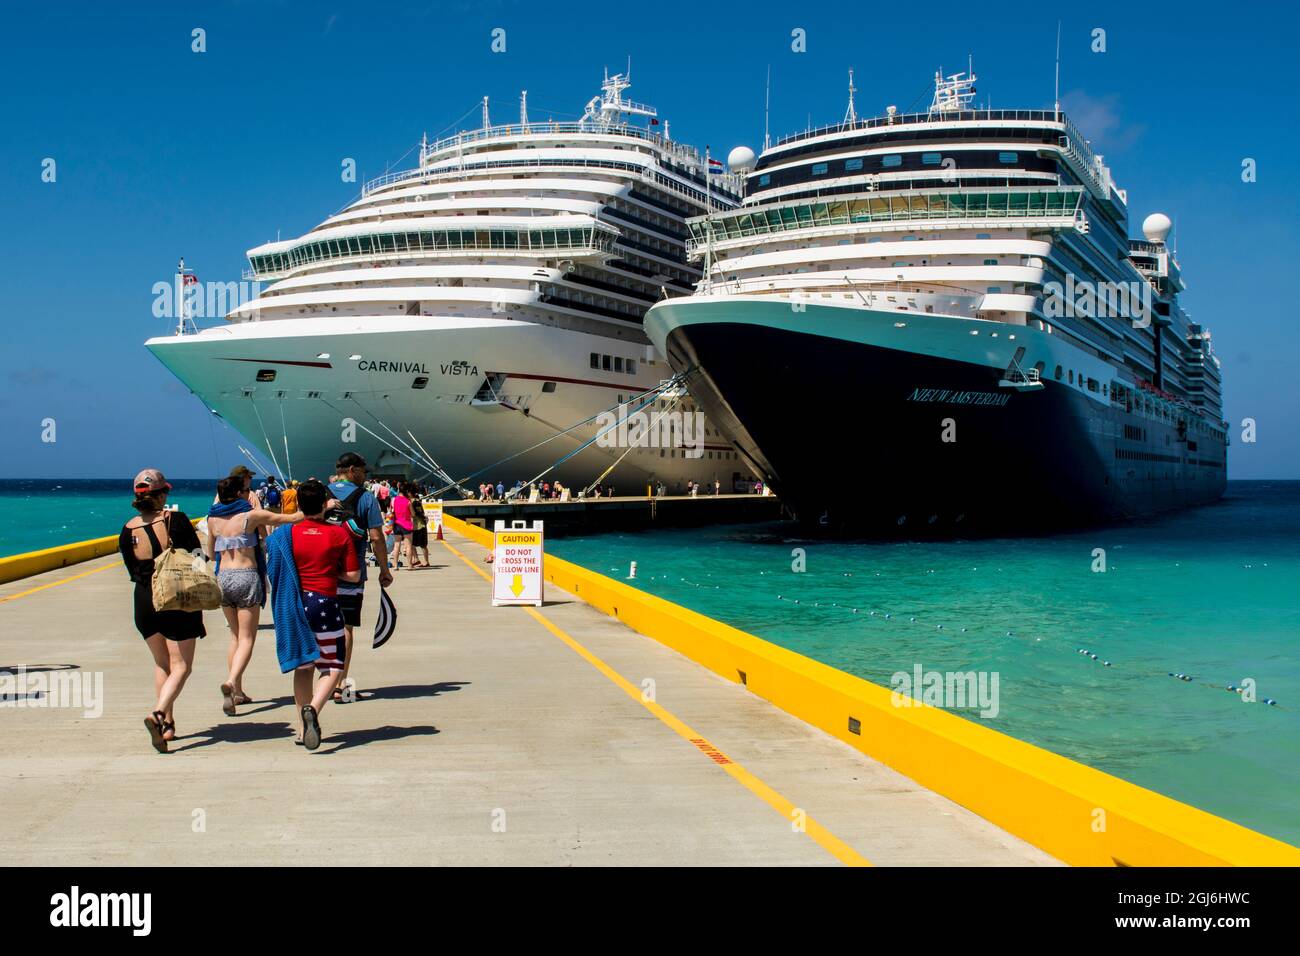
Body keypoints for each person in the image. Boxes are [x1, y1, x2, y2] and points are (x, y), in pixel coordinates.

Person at [118, 469, 206, 753]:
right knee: (182, 665)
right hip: (174, 598)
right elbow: (197, 558)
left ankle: (168, 725)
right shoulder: (174, 520)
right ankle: (158, 714)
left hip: (143, 600)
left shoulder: (127, 528)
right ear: (160, 495)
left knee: (161, 663)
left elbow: (132, 570)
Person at [207, 475, 303, 716]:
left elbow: (209, 551)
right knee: (248, 638)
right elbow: (289, 519)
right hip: (247, 575)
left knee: (235, 637)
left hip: (223, 578)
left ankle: (237, 692)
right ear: (241, 493)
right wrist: (325, 506)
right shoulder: (250, 516)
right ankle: (231, 681)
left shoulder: (213, 519)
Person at [284, 479, 360, 749]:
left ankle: (302, 730)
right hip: (326, 602)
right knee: (333, 665)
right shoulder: (339, 534)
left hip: (296, 604)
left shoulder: (287, 534)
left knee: (303, 667)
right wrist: (332, 573)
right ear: (325, 504)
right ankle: (313, 710)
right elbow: (353, 575)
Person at [328, 453, 391, 703]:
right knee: (345, 628)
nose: (366, 475)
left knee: (320, 627)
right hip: (351, 575)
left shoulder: (320, 494)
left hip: (317, 574)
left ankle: (323, 681)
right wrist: (384, 570)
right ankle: (341, 684)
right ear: (352, 470)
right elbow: (376, 538)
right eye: (364, 471)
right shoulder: (365, 497)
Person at [391, 483, 414, 571]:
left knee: (397, 545)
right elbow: (413, 514)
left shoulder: (393, 500)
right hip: (407, 525)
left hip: (396, 525)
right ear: (406, 491)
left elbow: (391, 511)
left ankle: (395, 566)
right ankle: (409, 565)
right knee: (408, 546)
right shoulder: (408, 501)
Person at [409, 491, 430, 567]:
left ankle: (426, 561)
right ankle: (417, 559)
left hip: (419, 526)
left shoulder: (415, 502)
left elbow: (419, 513)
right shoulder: (410, 502)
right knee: (411, 544)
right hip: (413, 526)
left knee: (423, 545)